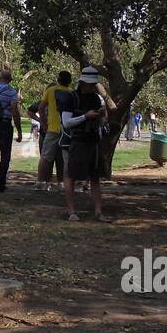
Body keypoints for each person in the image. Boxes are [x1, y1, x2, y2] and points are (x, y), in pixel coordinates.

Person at [61, 65, 114, 222]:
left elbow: (103, 120)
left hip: (94, 141)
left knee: (95, 177)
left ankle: (98, 212)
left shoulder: (97, 98)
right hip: (77, 141)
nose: (93, 87)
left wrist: (102, 117)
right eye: (90, 84)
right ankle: (71, 211)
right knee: (71, 176)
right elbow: (66, 123)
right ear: (83, 82)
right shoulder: (70, 98)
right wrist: (85, 116)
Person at [35, 70, 72, 193]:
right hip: (67, 130)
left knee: (45, 157)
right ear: (70, 81)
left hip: (52, 129)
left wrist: (44, 123)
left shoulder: (50, 91)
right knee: (66, 159)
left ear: (58, 79)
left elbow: (41, 108)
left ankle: (40, 182)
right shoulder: (72, 93)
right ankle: (66, 183)